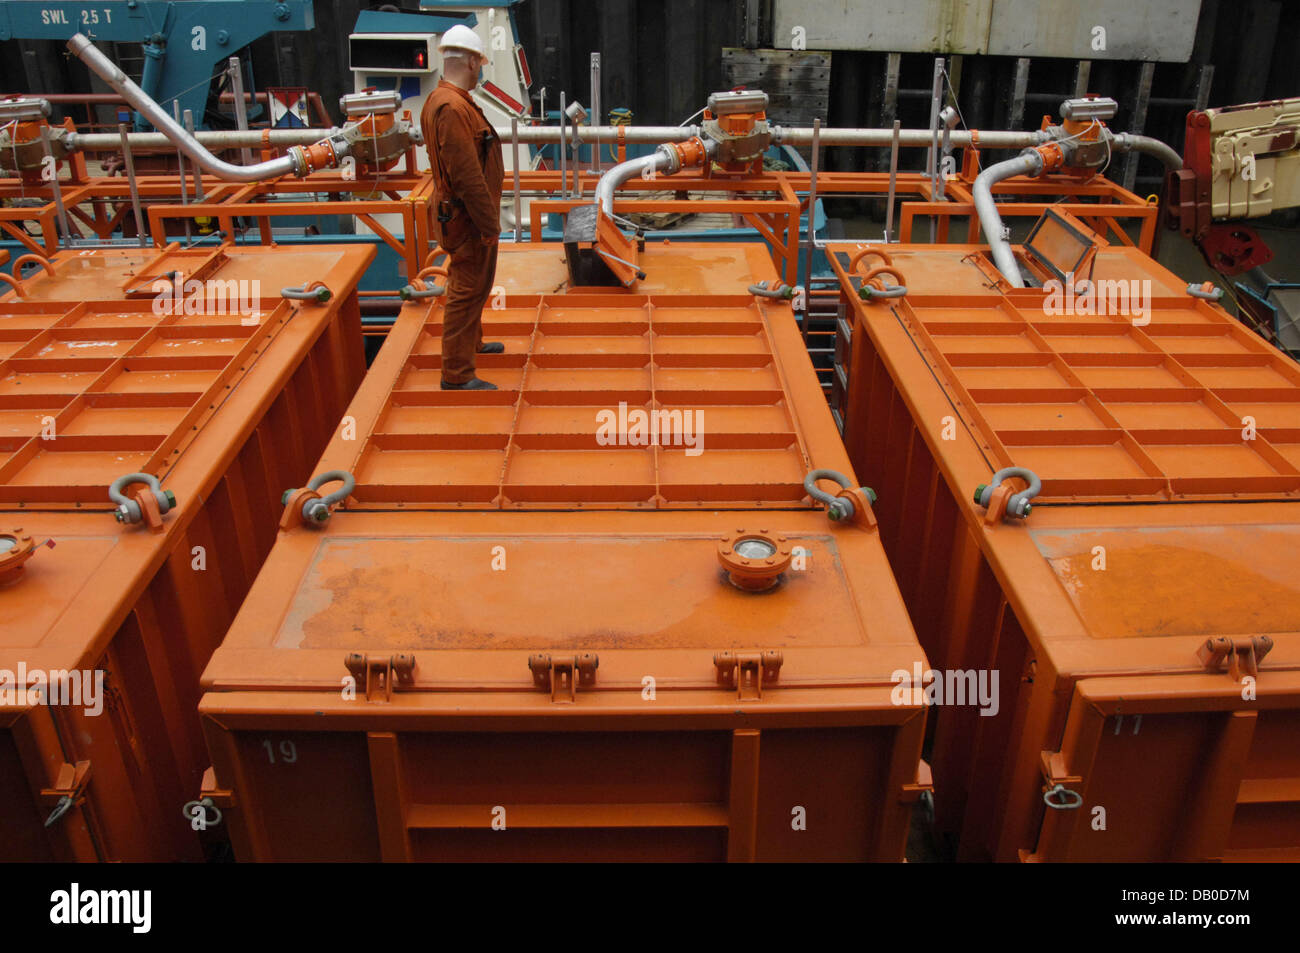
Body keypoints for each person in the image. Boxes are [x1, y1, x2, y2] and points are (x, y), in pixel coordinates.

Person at [419, 24, 505, 390]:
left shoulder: (447, 102)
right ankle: (456, 373)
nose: (480, 71)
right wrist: (489, 226)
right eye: (480, 64)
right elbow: (467, 175)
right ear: (471, 61)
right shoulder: (452, 107)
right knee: (466, 287)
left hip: (466, 216)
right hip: (469, 219)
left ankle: (472, 343)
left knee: (477, 281)